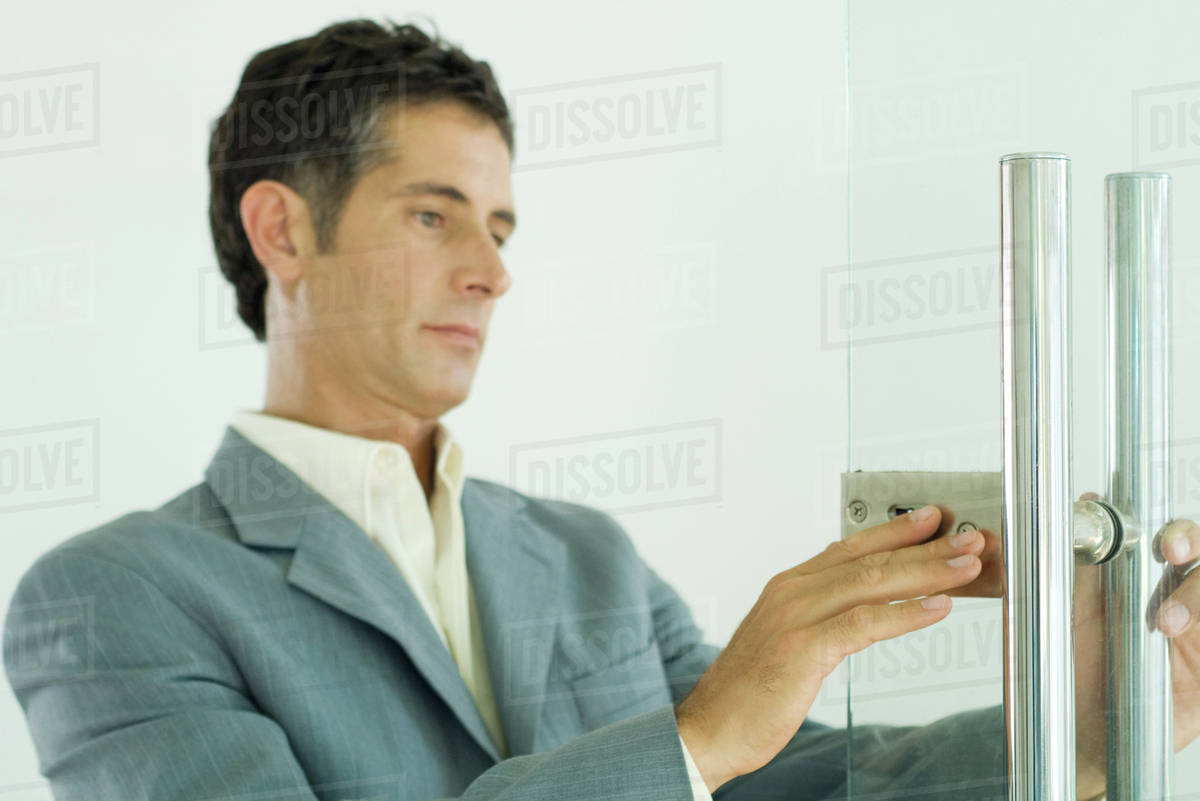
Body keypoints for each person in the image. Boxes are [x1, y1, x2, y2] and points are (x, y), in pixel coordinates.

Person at [5, 18, 1200, 801]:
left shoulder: (586, 557)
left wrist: (1105, 720)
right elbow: (713, 750)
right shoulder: (109, 595)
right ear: (282, 229)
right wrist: (693, 737)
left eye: (500, 227)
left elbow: (824, 785)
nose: (491, 271)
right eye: (433, 215)